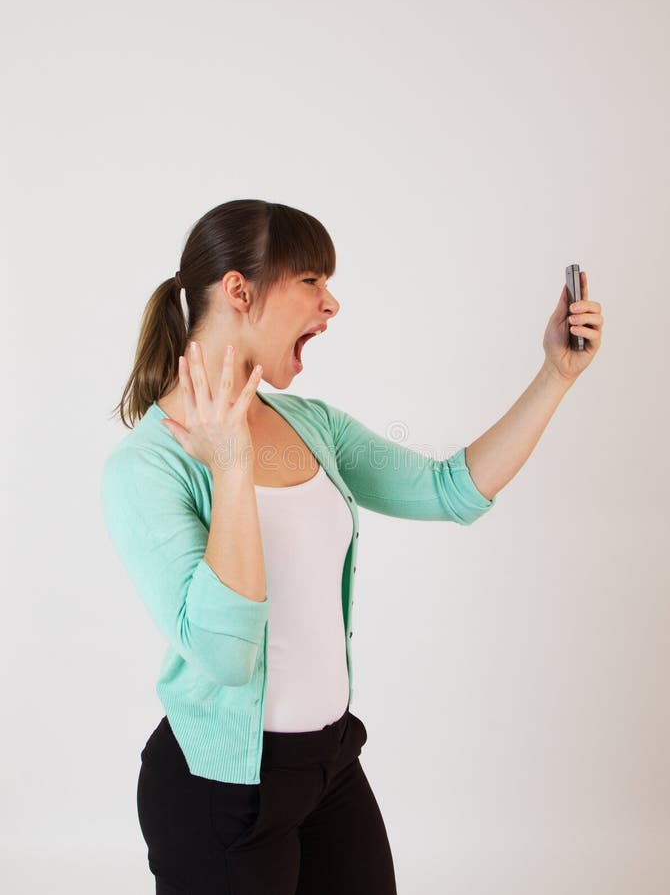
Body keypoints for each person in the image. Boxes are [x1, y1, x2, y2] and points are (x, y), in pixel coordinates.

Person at [101, 199, 603, 894]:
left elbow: (447, 491)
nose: (331, 304)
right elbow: (223, 653)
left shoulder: (314, 426)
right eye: (311, 280)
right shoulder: (147, 466)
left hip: (330, 768)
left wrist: (557, 374)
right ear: (240, 291)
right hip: (220, 793)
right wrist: (234, 466)